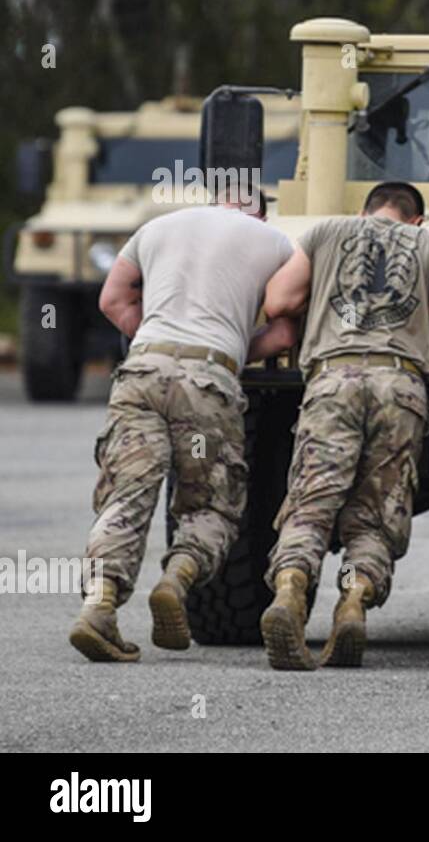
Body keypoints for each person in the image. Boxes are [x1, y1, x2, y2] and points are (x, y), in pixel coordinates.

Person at [71, 188, 297, 662]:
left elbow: (112, 301)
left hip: (143, 373)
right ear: (258, 210)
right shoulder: (275, 241)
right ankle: (177, 578)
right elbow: (282, 327)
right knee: (209, 501)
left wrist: (156, 339)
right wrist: (230, 351)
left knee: (125, 495)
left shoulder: (154, 228)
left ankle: (100, 606)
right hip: (206, 384)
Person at [259, 181, 429, 670]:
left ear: (365, 210)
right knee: (377, 508)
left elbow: (277, 302)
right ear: (416, 219)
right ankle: (355, 597)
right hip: (398, 386)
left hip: (333, 379)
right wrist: (420, 315)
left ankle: (292, 584)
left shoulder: (326, 231)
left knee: (312, 499)